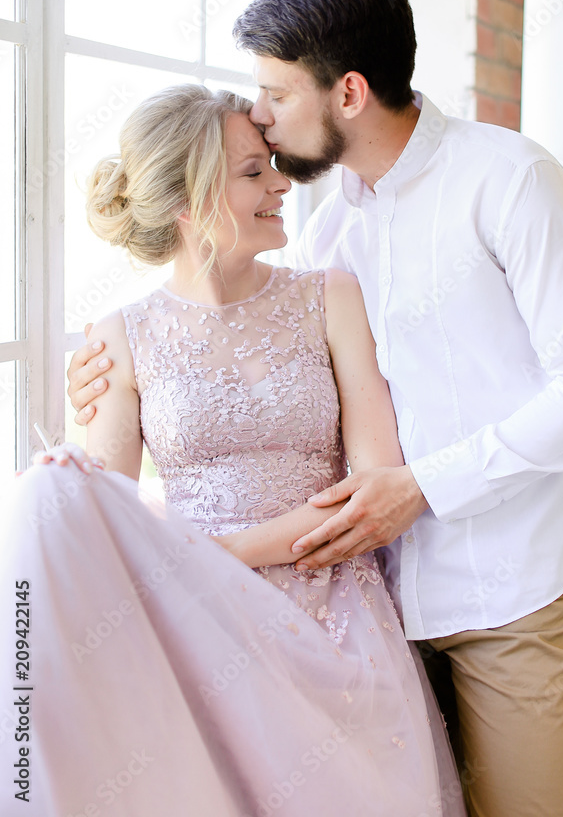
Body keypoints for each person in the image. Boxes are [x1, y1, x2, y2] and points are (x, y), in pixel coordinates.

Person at [68, 0, 563, 817]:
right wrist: (108, 366)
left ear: (347, 94)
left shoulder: (511, 182)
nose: (259, 115)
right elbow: (251, 343)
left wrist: (420, 487)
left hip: (509, 594)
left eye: (274, 92)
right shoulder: (331, 224)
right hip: (364, 603)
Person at [1, 84, 465, 817]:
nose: (281, 182)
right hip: (198, 621)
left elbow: (372, 490)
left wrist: (213, 557)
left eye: (271, 165)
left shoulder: (329, 296)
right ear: (188, 200)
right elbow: (108, 529)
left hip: (334, 613)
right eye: (253, 172)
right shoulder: (121, 334)